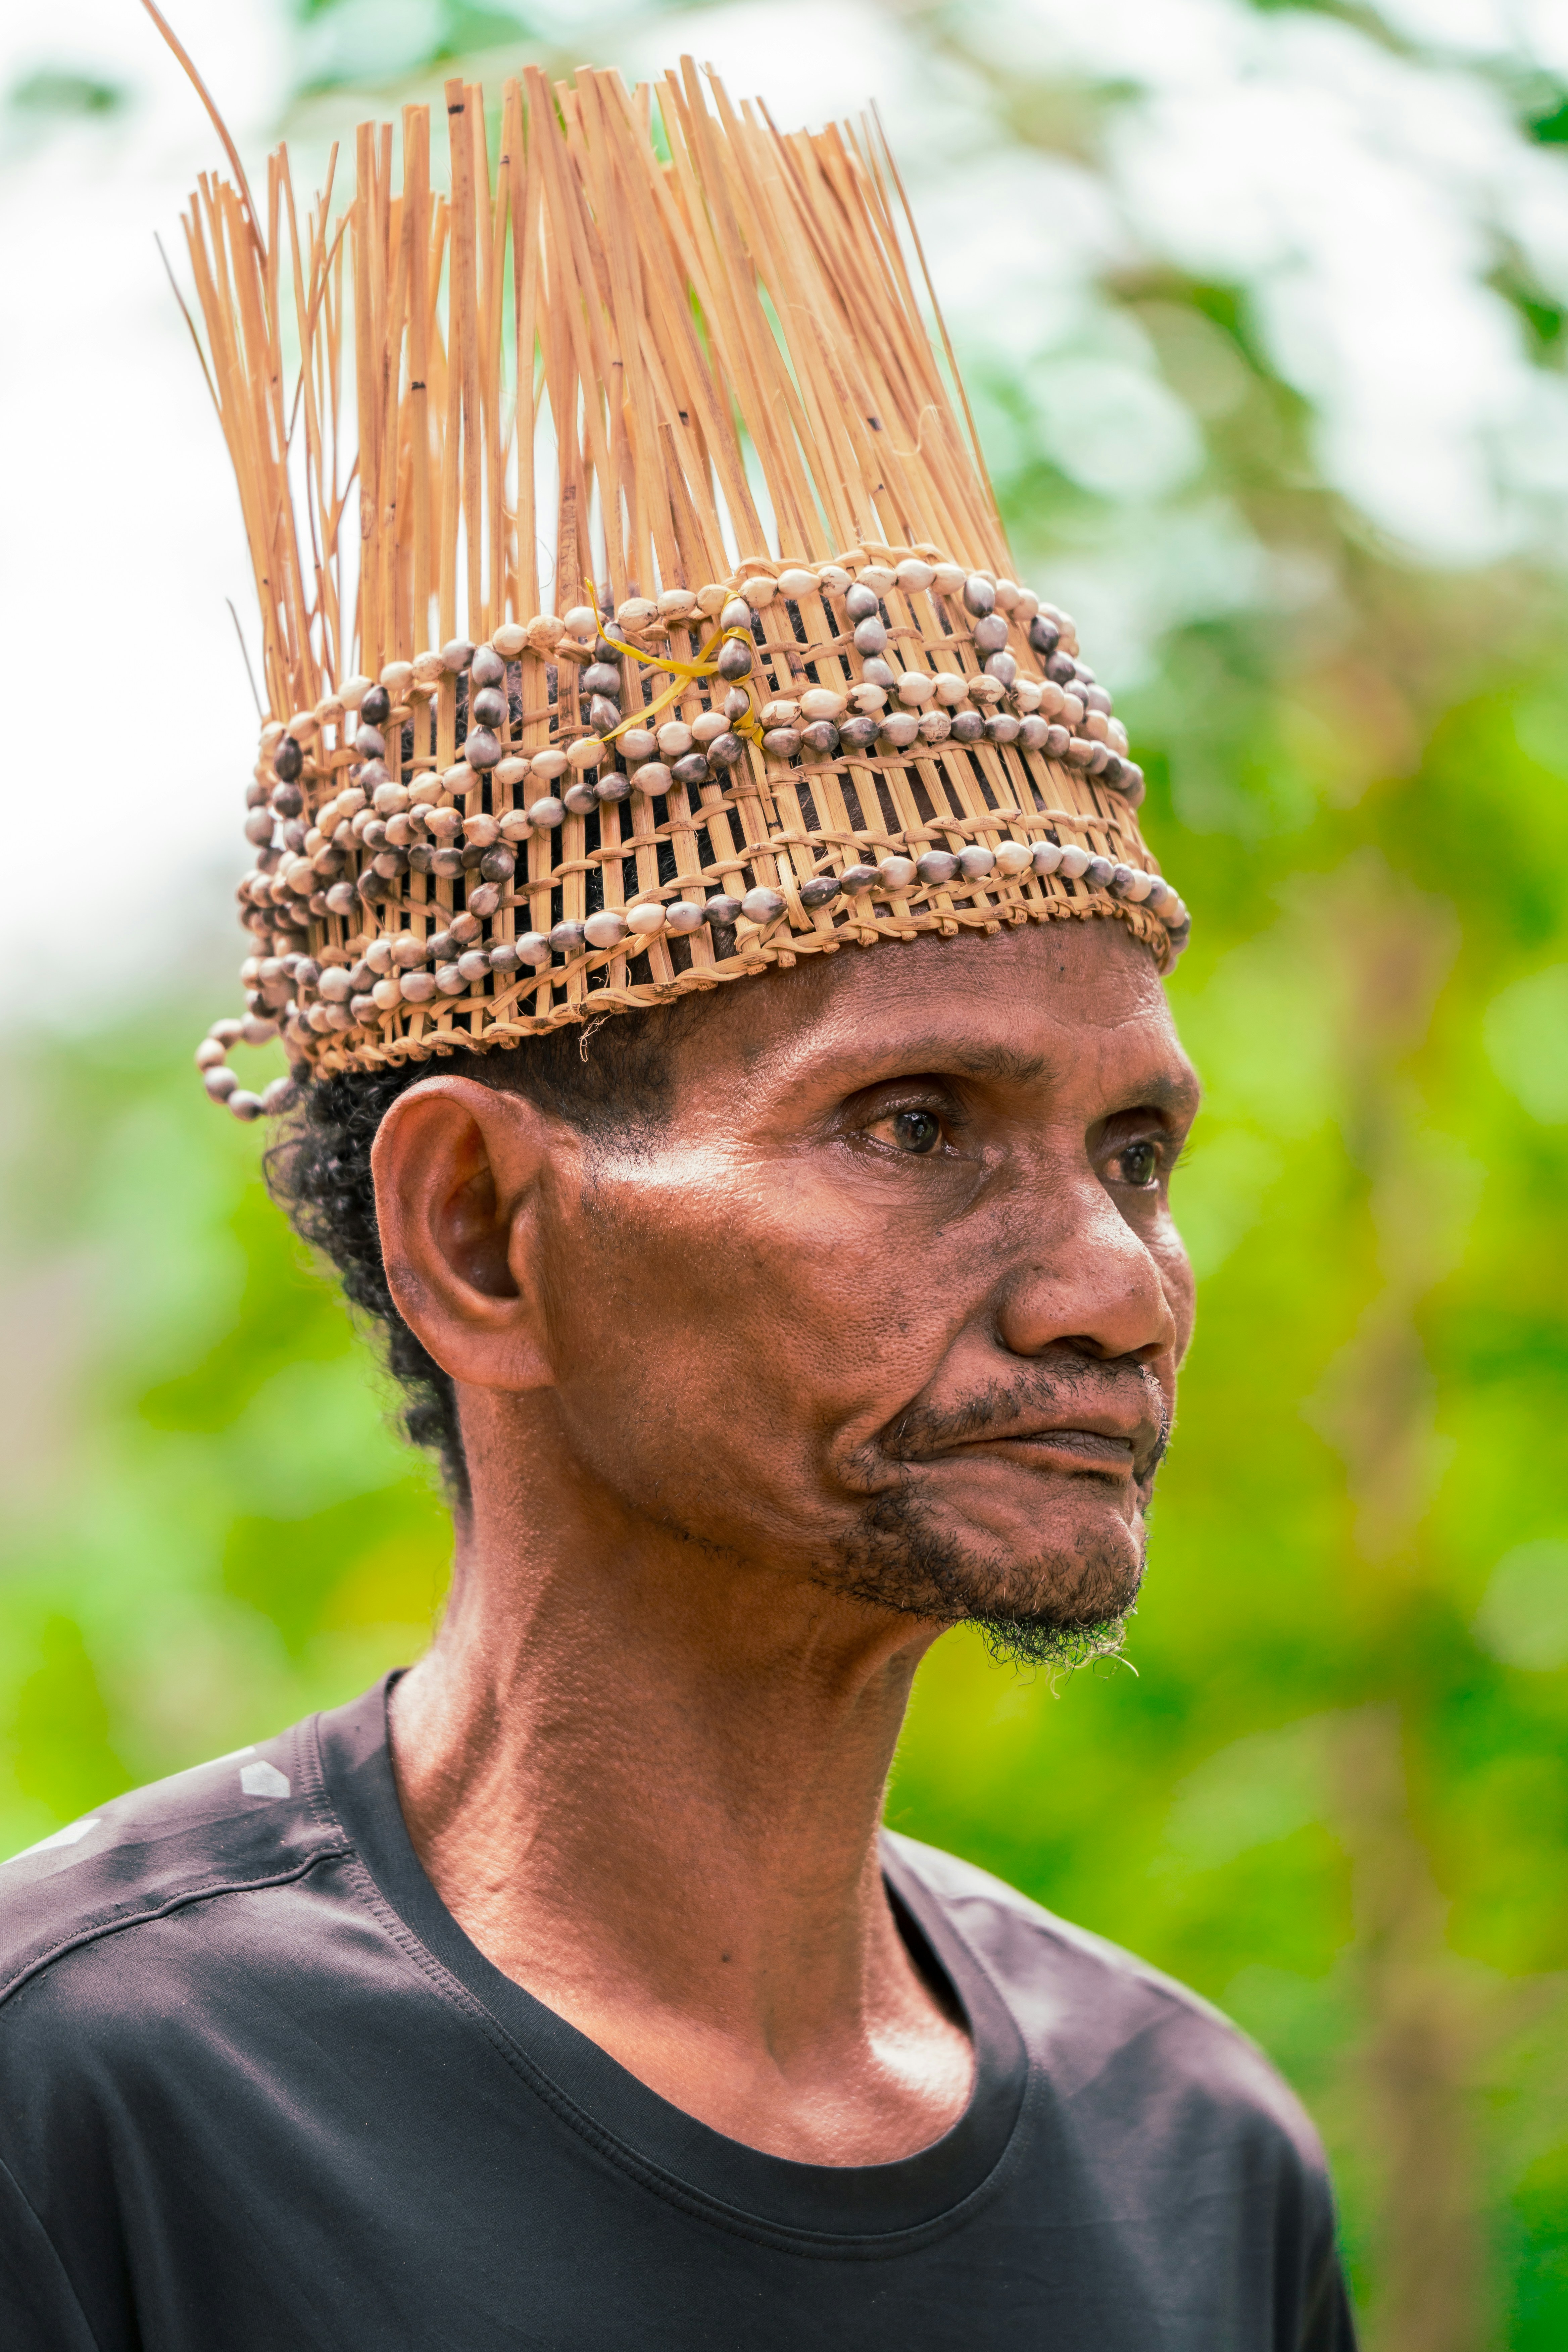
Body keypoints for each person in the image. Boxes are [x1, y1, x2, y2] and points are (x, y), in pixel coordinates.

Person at [0, 50, 1355, 2351]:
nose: (1117, 1292)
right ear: (483, 1236)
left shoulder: (1193, 2160)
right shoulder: (96, 2098)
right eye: (914, 1125)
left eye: (1141, 1154)